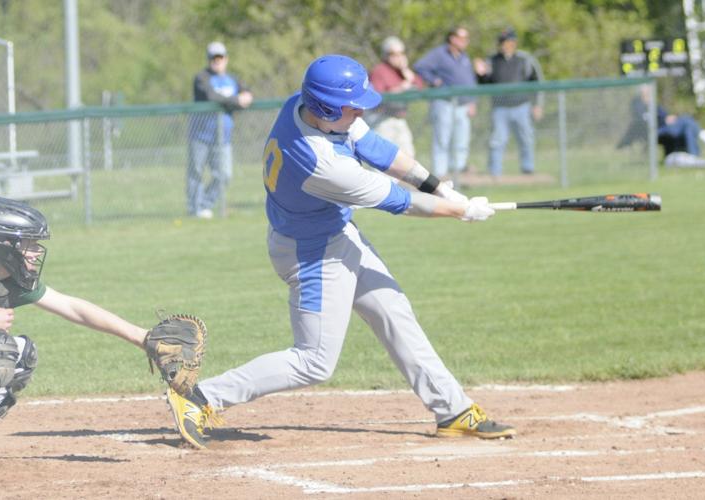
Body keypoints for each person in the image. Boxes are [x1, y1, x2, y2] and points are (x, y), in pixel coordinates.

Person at [165, 54, 514, 450]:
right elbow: (402, 203)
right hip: (312, 255)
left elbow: (377, 148)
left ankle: (452, 409)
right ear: (327, 108)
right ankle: (199, 397)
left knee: (395, 313)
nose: (361, 110)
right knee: (313, 360)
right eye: (353, 106)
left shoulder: (301, 105)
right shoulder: (322, 165)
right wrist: (463, 209)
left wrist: (438, 186)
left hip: (336, 233)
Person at [0, 197, 149, 427]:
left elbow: (72, 307)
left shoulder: (9, 281)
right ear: (5, 244)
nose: (37, 252)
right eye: (29, 244)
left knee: (21, 357)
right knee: (0, 350)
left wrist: (140, 336)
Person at [187, 41, 253, 219]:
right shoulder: (201, 78)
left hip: (223, 136)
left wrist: (246, 95)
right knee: (196, 172)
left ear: (226, 59)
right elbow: (211, 96)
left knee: (224, 174)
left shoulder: (233, 79)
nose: (217, 61)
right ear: (208, 59)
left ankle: (205, 205)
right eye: (213, 57)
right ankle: (195, 210)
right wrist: (236, 100)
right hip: (200, 135)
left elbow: (246, 92)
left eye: (220, 57)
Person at [473, 26, 544, 176]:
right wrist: (480, 74)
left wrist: (538, 105)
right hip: (500, 108)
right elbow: (484, 84)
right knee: (497, 140)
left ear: (514, 42)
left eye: (508, 41)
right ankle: (494, 172)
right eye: (502, 41)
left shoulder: (525, 59)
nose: (505, 44)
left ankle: (528, 169)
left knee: (526, 138)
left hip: (522, 106)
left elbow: (537, 82)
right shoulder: (492, 60)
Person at [413, 27, 478, 178]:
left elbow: (469, 80)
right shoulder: (439, 54)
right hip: (444, 103)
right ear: (452, 38)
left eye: (466, 38)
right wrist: (435, 80)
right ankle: (440, 174)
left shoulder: (464, 57)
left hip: (463, 104)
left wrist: (472, 101)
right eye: (462, 38)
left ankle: (458, 172)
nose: (465, 42)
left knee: (462, 139)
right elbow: (420, 66)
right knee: (442, 139)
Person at [617, 84, 705, 156]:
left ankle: (695, 157)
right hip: (656, 131)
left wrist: (668, 118)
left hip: (665, 127)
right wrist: (664, 120)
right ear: (641, 93)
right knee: (686, 121)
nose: (649, 94)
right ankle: (703, 136)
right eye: (646, 92)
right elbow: (643, 121)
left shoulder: (653, 105)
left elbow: (664, 115)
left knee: (687, 124)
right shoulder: (638, 105)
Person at [368, 36, 425, 158]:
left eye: (401, 53)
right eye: (393, 54)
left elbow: (419, 86)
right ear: (385, 55)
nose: (397, 57)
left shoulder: (402, 72)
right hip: (382, 119)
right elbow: (378, 96)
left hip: (399, 118)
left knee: (408, 156)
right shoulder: (379, 71)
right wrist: (402, 88)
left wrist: (405, 70)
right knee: (381, 159)